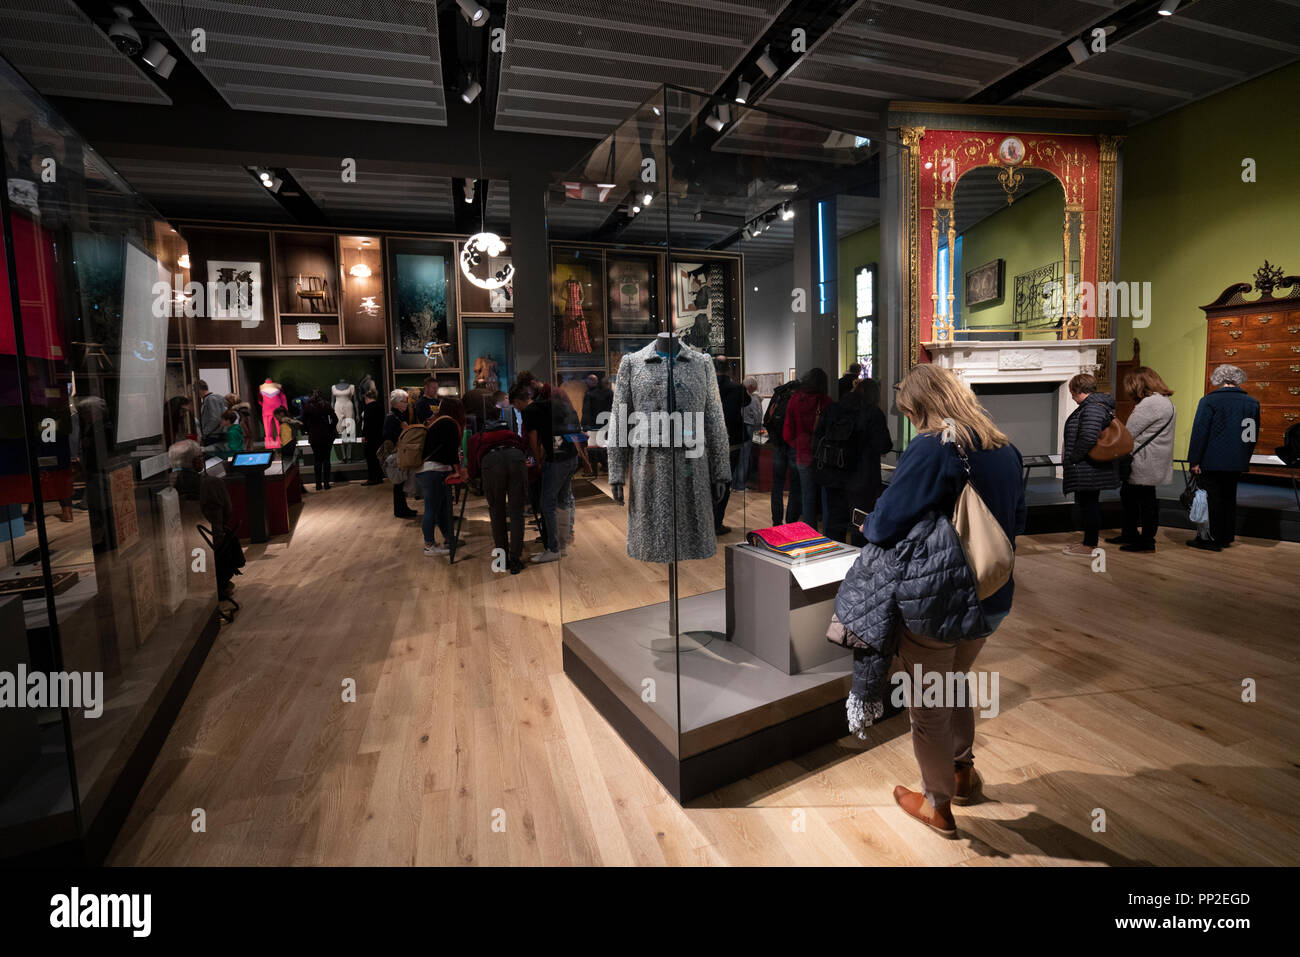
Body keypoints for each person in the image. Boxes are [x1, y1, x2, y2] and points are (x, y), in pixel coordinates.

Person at [862, 365, 1025, 836]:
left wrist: (868, 526)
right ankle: (963, 772)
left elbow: (886, 520)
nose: (912, 422)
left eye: (911, 412)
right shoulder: (1003, 447)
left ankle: (937, 804)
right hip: (992, 596)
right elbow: (1019, 521)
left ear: (922, 406)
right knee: (954, 679)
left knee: (928, 702)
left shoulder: (934, 447)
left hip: (938, 600)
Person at [1187, 363, 1260, 551]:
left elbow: (1200, 432)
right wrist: (1244, 457)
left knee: (1213, 499)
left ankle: (1211, 539)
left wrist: (1194, 460)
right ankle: (1226, 536)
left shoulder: (1209, 401)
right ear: (1238, 379)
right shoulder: (1251, 403)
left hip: (1211, 460)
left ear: (1218, 379)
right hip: (1236, 460)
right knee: (1229, 498)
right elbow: (1250, 436)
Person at [815, 377, 892, 545]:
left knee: (834, 525)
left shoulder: (833, 409)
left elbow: (818, 439)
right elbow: (884, 445)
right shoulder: (872, 413)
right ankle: (859, 565)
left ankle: (832, 563)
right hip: (862, 480)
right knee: (861, 526)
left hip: (833, 476)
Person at [1107, 367, 1176, 552]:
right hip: (1154, 459)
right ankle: (1131, 534)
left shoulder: (1150, 404)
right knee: (1138, 498)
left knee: (1142, 502)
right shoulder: (1165, 402)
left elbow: (1128, 433)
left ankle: (1146, 541)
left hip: (1144, 460)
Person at [169, 439, 239, 601]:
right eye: (200, 456)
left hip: (177, 543)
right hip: (208, 539)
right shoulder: (212, 483)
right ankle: (218, 584)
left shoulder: (167, 486)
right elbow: (228, 513)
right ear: (196, 461)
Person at [514, 383, 576, 563]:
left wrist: (538, 461)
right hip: (570, 455)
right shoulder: (548, 404)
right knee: (563, 500)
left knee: (546, 502)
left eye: (515, 406)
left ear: (519, 402)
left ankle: (554, 547)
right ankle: (561, 546)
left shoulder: (529, 411)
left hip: (557, 460)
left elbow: (534, 438)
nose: (517, 410)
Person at [1061, 373, 1120, 557]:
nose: (1071, 396)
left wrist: (1073, 458)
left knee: (1090, 505)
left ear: (1079, 390)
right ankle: (1088, 542)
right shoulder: (1090, 407)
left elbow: (1088, 437)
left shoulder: (1092, 408)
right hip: (1088, 467)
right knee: (1088, 504)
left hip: (1089, 467)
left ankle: (1090, 545)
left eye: (1072, 391)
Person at [468, 407, 529, 574]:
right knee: (517, 513)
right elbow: (523, 447)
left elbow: (473, 468)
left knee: (497, 512)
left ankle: (502, 560)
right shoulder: (511, 434)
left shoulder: (477, 438)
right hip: (516, 459)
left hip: (491, 462)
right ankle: (515, 559)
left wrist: (475, 480)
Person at [783, 367, 832, 531]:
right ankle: (825, 532)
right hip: (822, 455)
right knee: (824, 496)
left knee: (805, 494)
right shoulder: (825, 402)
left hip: (801, 453)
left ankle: (807, 532)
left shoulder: (795, 400)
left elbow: (787, 431)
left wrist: (797, 445)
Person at [417, 397, 466, 557]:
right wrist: (458, 470)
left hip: (431, 469)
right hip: (434, 470)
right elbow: (452, 451)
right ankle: (429, 545)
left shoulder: (437, 421)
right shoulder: (449, 423)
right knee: (432, 509)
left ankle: (448, 538)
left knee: (440, 508)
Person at [714, 358, 751, 534]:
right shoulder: (737, 388)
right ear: (729, 369)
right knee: (725, 482)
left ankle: (708, 522)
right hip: (731, 441)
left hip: (709, 442)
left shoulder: (707, 387)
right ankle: (717, 521)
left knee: (708, 483)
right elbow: (746, 402)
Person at [764, 378, 802, 527]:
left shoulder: (779, 395)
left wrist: (774, 439)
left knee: (777, 484)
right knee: (795, 484)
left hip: (779, 445)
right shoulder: (799, 398)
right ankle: (791, 521)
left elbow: (767, 419)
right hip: (794, 446)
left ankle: (776, 521)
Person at [383, 389, 419, 518]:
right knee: (399, 482)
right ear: (396, 403)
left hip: (399, 452)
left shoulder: (398, 416)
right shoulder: (393, 417)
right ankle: (400, 509)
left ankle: (402, 508)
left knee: (401, 481)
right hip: (395, 454)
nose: (406, 404)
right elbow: (391, 436)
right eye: (404, 401)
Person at [300, 390, 339, 491]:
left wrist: (308, 430)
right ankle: (326, 484)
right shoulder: (326, 405)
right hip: (327, 435)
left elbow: (302, 422)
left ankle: (318, 485)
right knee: (326, 459)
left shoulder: (308, 407)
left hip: (314, 436)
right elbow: (335, 419)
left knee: (317, 460)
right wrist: (330, 427)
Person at [733, 376, 763, 492]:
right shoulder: (752, 399)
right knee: (744, 458)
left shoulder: (738, 396)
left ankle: (735, 484)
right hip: (749, 428)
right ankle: (740, 485)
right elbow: (757, 417)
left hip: (739, 427)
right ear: (751, 387)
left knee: (738, 456)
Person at [581, 373, 613, 474]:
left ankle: (594, 469)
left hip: (593, 424)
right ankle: (605, 466)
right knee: (603, 445)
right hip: (605, 423)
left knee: (593, 446)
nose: (586, 382)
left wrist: (584, 425)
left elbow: (586, 411)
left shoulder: (589, 394)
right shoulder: (608, 392)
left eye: (588, 380)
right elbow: (612, 408)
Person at [360, 389, 385, 485]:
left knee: (370, 457)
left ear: (367, 397)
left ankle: (372, 478)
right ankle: (379, 477)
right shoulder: (379, 406)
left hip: (370, 436)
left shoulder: (368, 407)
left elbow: (367, 423)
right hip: (378, 435)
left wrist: (364, 435)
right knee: (377, 457)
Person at [196, 379, 227, 446]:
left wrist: (205, 432)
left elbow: (216, 419)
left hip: (214, 435)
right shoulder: (217, 398)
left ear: (199, 390)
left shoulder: (210, 399)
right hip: (216, 434)